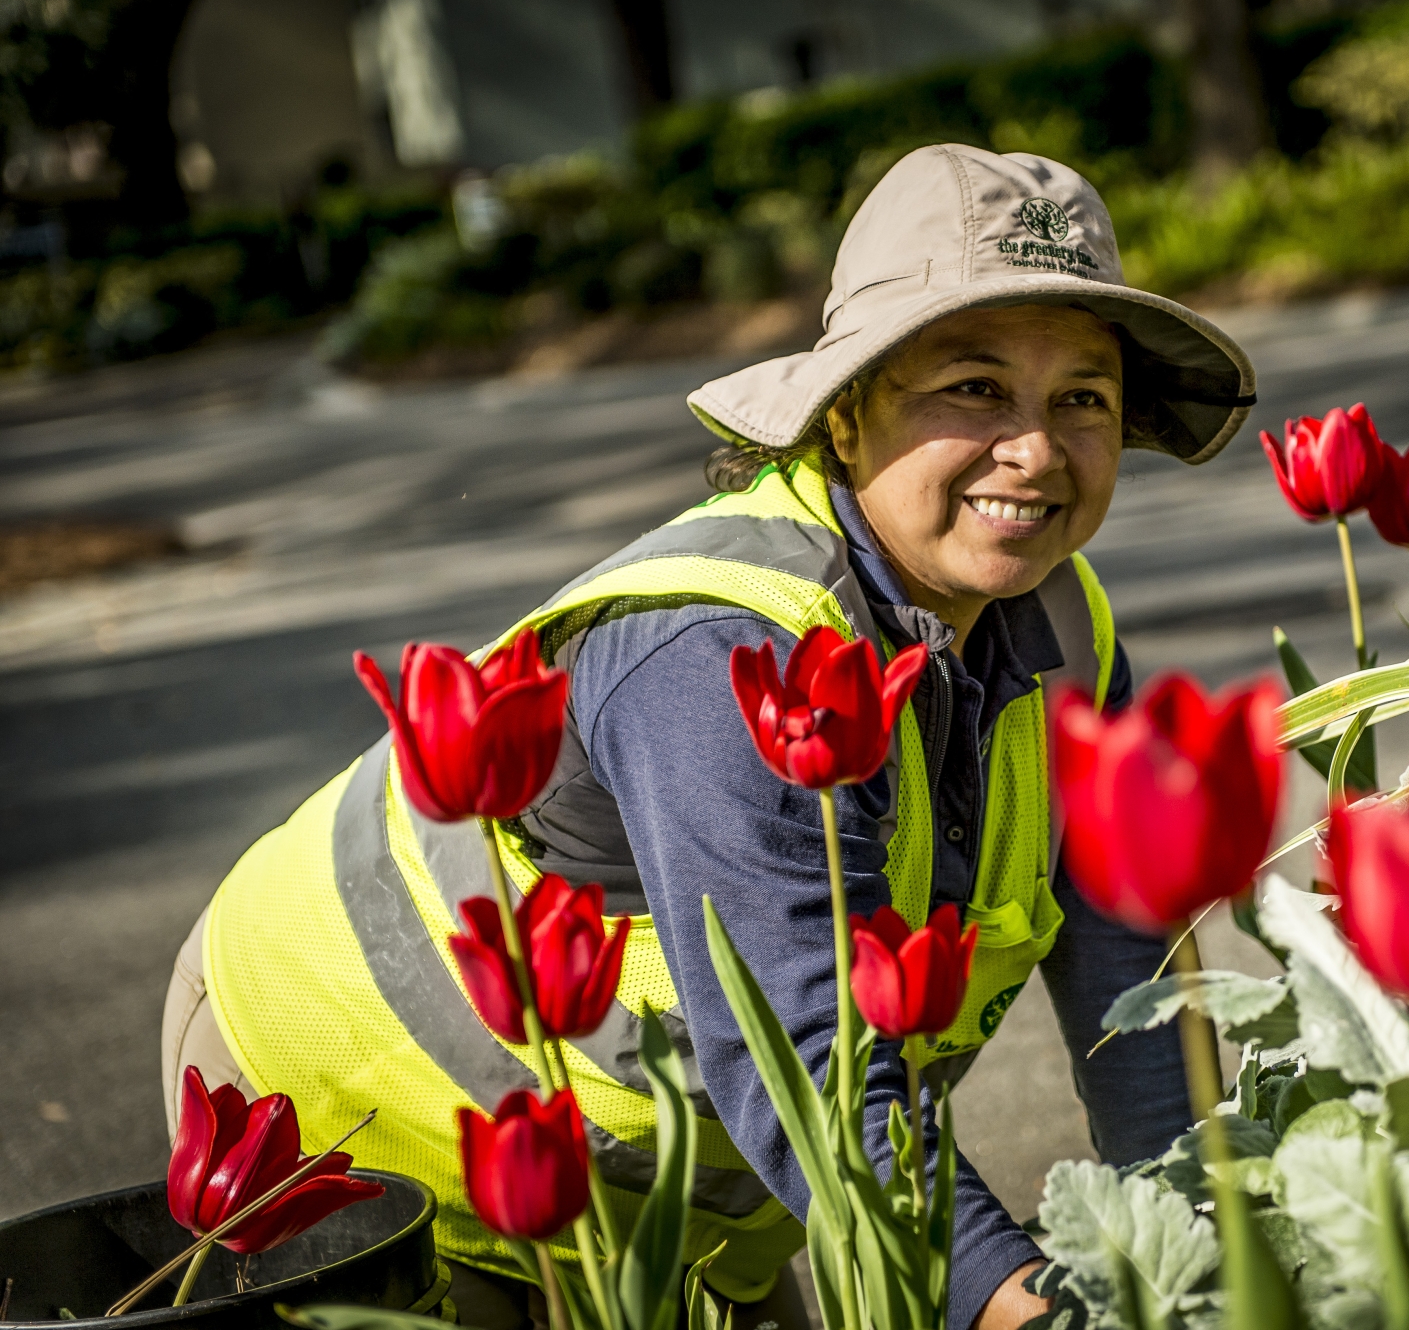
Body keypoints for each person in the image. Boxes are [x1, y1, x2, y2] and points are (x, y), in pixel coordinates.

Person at [160, 144, 1257, 1330]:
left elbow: (1127, 989)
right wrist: (1039, 1313)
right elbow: (806, 1061)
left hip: (686, 1160)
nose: (1035, 450)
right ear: (844, 416)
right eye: (974, 387)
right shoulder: (718, 650)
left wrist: (1204, 1258)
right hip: (355, 1116)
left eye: (1080, 398)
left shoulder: (1058, 622)